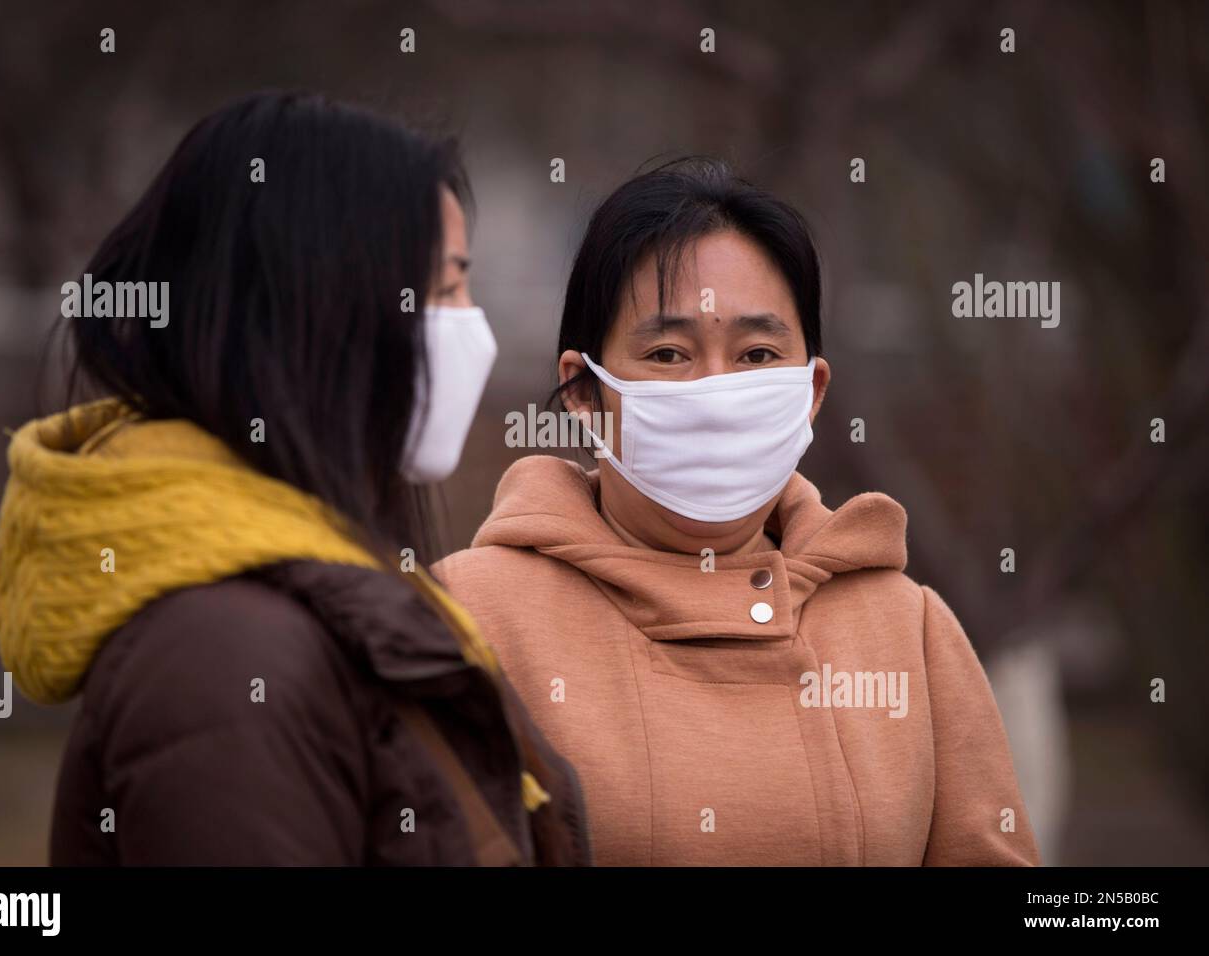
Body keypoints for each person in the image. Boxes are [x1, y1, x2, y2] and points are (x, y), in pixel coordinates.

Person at [0, 91, 590, 866]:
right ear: (319, 312)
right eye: (441, 291)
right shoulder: (229, 660)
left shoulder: (315, 592)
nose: (471, 326)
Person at [435, 157, 1039, 866]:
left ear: (810, 390)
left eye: (756, 354)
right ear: (582, 392)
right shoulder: (469, 616)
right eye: (668, 353)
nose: (716, 391)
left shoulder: (907, 629)